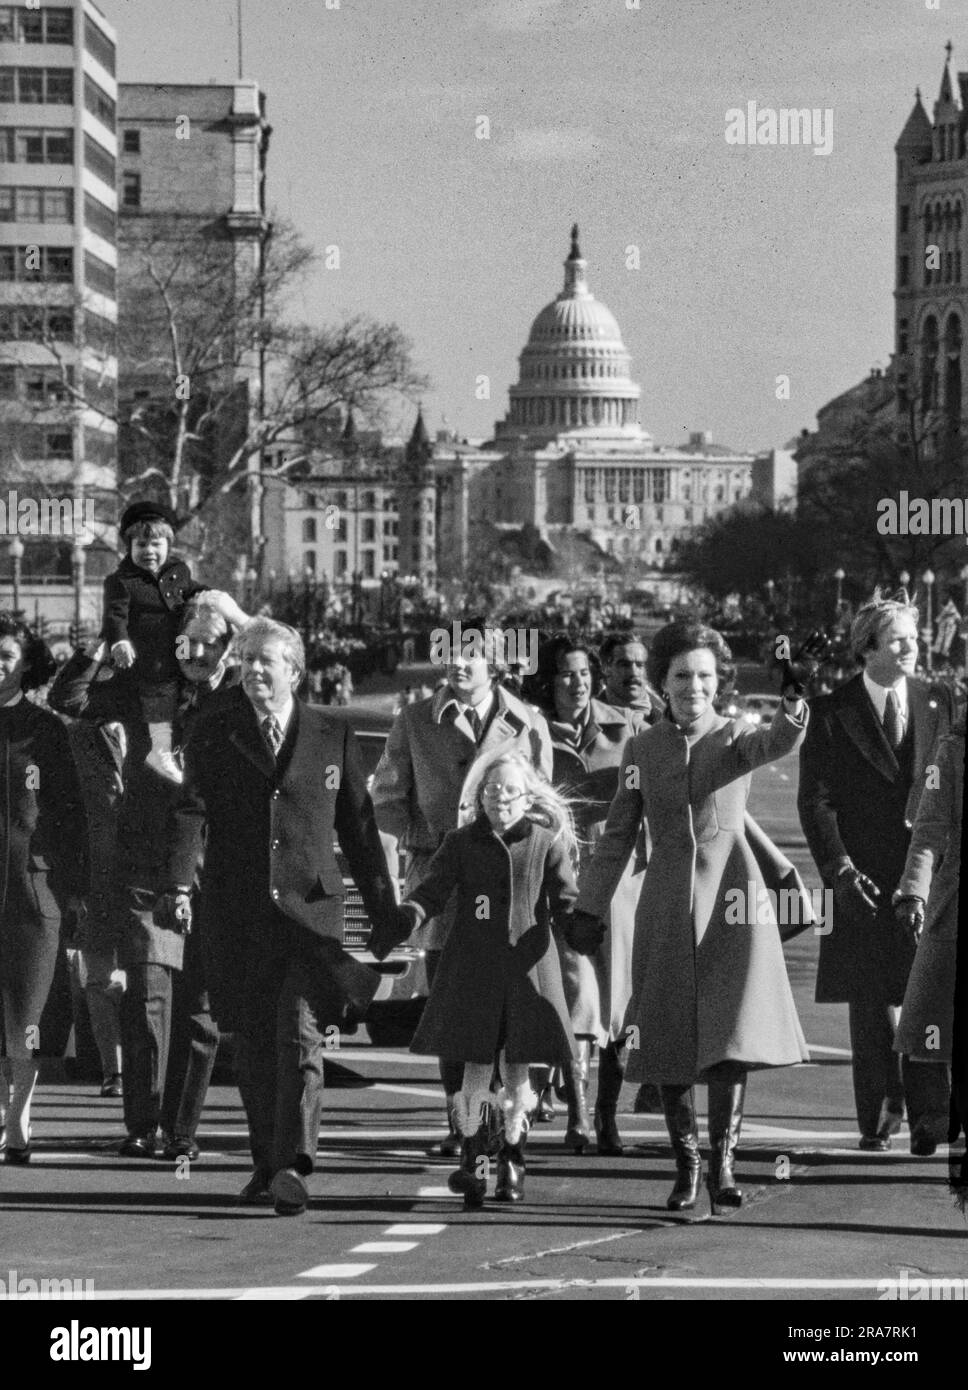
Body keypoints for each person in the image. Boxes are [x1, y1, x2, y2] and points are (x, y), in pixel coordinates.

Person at [568, 621, 810, 1213]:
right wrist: (590, 907)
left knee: (727, 1041)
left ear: (718, 681)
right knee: (670, 1039)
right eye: (681, 675)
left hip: (734, 906)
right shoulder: (641, 749)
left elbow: (780, 742)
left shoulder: (735, 738)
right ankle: (688, 1166)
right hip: (667, 906)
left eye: (704, 675)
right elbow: (620, 832)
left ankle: (725, 1166)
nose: (693, 686)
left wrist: (797, 691)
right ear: (663, 683)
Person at [166, 618, 400, 1216]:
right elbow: (192, 809)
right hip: (238, 913)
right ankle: (266, 1165)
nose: (252, 670)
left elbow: (360, 828)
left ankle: (295, 1164)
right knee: (251, 1044)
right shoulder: (215, 730)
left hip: (310, 917)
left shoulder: (331, 734)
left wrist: (384, 909)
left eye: (265, 660)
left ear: (294, 670)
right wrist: (178, 883)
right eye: (245, 660)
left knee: (298, 1036)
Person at [49, 596, 239, 1161]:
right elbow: (70, 698)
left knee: (199, 1010)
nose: (198, 651)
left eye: (212, 640)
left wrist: (243, 617)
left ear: (230, 646)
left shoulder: (244, 697)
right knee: (147, 999)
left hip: (217, 870)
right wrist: (102, 646)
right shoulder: (145, 690)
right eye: (189, 639)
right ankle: (142, 1124)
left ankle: (181, 1130)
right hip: (147, 866)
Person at [371, 620, 553, 1156]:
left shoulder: (527, 721)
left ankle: (512, 1123)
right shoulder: (414, 721)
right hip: (442, 886)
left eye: (469, 655)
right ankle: (463, 1123)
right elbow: (385, 798)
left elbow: (545, 804)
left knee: (514, 1004)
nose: (456, 664)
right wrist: (429, 841)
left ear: (493, 663)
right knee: (450, 1005)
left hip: (512, 884)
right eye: (448, 653)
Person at [373, 749, 578, 1207]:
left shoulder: (547, 843)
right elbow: (432, 891)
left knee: (519, 1068)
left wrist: (584, 927)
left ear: (528, 798)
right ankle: (472, 1161)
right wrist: (405, 916)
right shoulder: (461, 842)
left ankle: (512, 1160)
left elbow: (566, 900)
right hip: (473, 967)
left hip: (529, 971)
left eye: (509, 791)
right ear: (479, 796)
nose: (500, 798)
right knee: (474, 1067)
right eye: (491, 790)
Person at [798, 593, 953, 1153]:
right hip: (857, 874)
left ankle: (926, 1113)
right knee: (869, 999)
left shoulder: (938, 703)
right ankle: (880, 1110)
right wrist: (838, 867)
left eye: (913, 636)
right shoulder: (830, 711)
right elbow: (815, 802)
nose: (911, 646)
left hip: (925, 874)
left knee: (923, 990)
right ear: (868, 648)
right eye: (897, 639)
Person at [531, 635, 646, 1154]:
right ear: (548, 682)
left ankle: (607, 1118)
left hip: (620, 876)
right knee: (577, 997)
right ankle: (579, 1116)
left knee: (619, 1000)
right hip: (558, 878)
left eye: (583, 674)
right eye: (564, 675)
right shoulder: (531, 731)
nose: (575, 684)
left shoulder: (631, 726)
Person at [0, 615, 89, 1164]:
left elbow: (72, 814)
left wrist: (73, 888)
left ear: (25, 663)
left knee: (27, 1017)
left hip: (35, 895)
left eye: (5, 654)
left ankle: (18, 1118)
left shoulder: (45, 730)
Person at [101, 500, 247, 783]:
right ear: (129, 547)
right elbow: (114, 617)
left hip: (177, 651)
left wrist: (216, 599)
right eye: (141, 545)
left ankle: (174, 748)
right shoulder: (122, 581)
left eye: (156, 544)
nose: (149, 552)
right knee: (160, 697)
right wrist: (120, 642)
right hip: (149, 657)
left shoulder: (178, 571)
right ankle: (160, 750)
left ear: (169, 544)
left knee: (183, 688)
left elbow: (195, 591)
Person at [892, 714, 964, 1157]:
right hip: (955, 902)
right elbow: (929, 830)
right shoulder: (951, 752)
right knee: (927, 1013)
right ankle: (930, 1115)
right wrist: (913, 893)